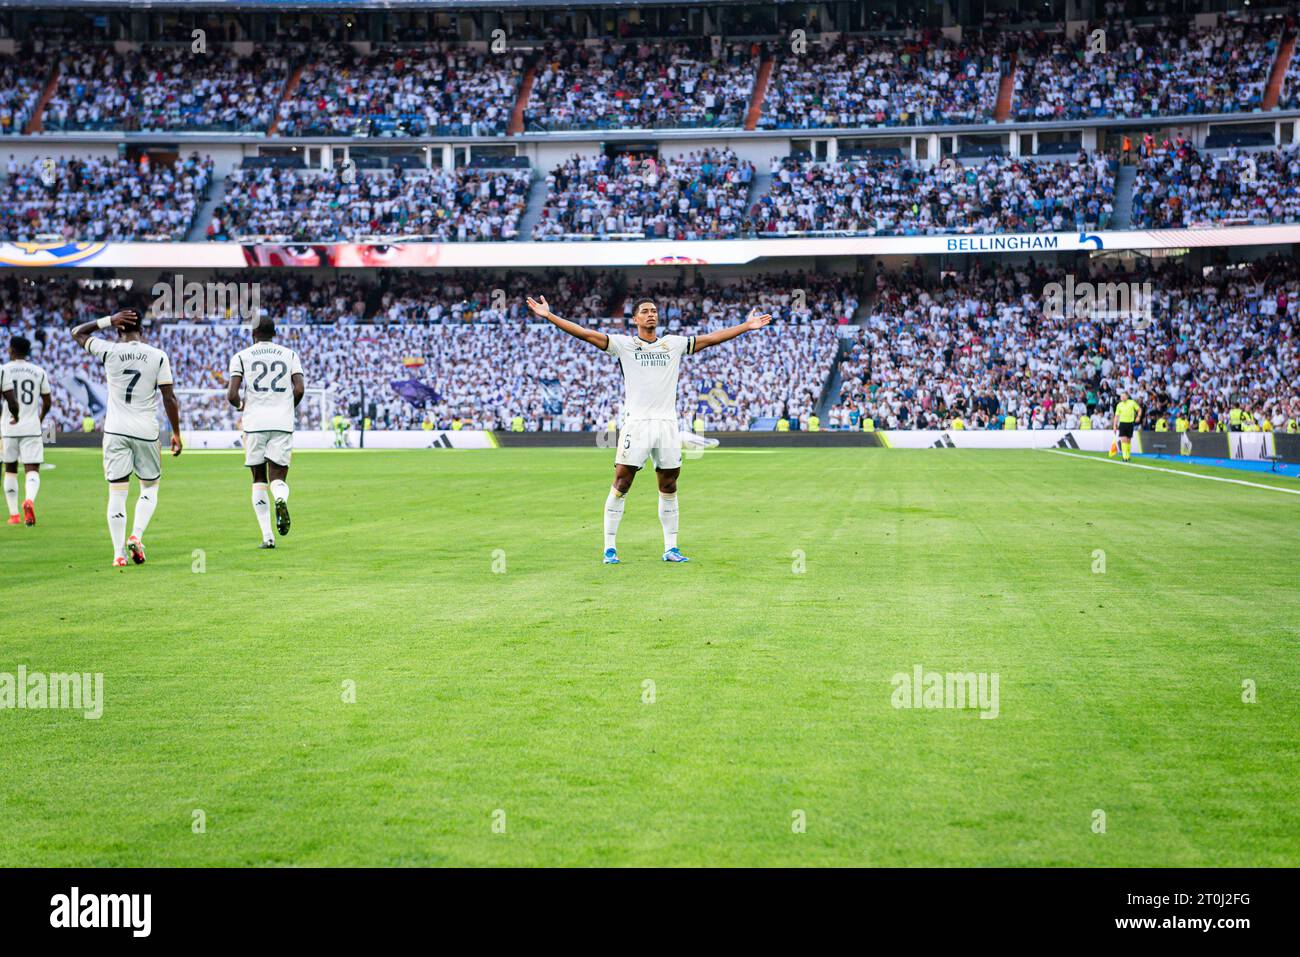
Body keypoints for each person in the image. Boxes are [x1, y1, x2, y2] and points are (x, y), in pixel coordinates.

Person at [526, 293, 770, 564]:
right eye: (645, 311)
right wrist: (549, 316)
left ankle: (671, 548)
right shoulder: (624, 345)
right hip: (637, 424)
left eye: (654, 310)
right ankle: (609, 547)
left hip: (667, 425)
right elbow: (584, 334)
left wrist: (745, 326)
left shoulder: (673, 344)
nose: (651, 314)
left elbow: (711, 339)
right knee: (622, 482)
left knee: (669, 484)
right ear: (635, 319)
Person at [71, 308, 182, 567]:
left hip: (115, 430)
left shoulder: (109, 350)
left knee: (117, 493)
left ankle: (118, 554)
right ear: (142, 329)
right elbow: (169, 398)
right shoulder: (158, 356)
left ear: (119, 327)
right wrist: (176, 432)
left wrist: (107, 321)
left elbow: (77, 332)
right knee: (150, 488)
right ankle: (137, 534)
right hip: (145, 431)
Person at [227, 316, 305, 549]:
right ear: (275, 333)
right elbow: (299, 388)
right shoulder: (289, 354)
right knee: (277, 478)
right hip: (282, 423)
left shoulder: (241, 356)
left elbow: (232, 395)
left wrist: (241, 406)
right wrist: (287, 408)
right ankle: (280, 497)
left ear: (253, 334)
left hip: (254, 424)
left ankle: (267, 536)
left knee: (258, 479)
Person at [1, 335, 51, 526]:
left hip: (8, 427)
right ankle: (29, 500)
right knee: (32, 468)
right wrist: (40, 418)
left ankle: (14, 515)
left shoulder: (3, 370)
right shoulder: (38, 371)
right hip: (31, 426)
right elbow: (47, 402)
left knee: (10, 469)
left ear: (11, 349)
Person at [1112, 392, 1141, 462]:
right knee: (1123, 439)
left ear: (1127, 396)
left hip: (1130, 423)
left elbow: (1139, 409)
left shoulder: (1132, 402)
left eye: (1123, 396)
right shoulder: (1119, 405)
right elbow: (1116, 416)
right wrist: (1114, 425)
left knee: (1128, 440)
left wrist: (1138, 416)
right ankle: (1124, 456)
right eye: (1121, 396)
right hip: (1122, 423)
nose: (1122, 398)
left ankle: (1128, 455)